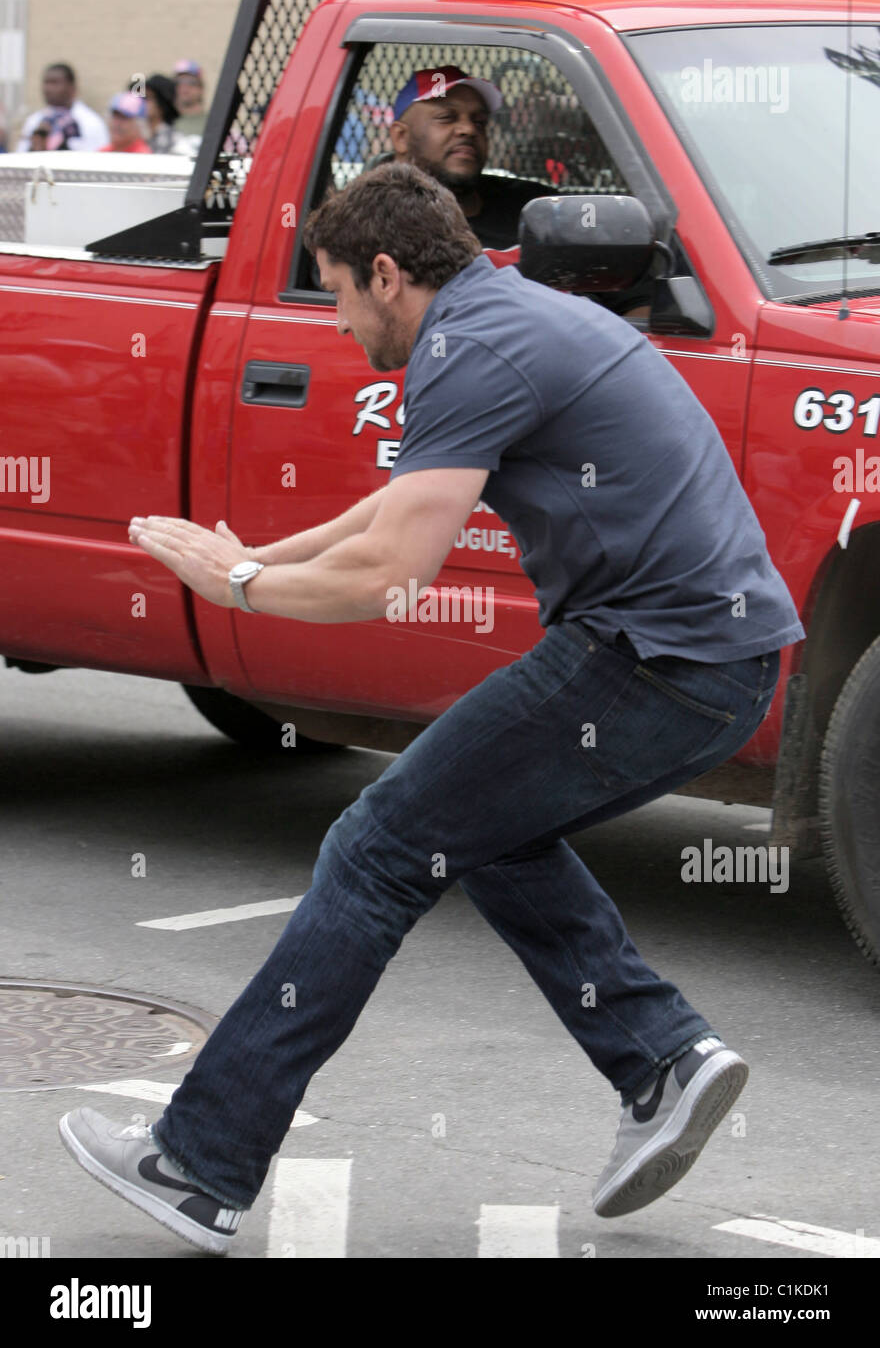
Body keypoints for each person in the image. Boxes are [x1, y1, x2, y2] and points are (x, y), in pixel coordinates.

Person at [58, 163, 805, 1255]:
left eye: (340, 295)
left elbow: (386, 574)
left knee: (378, 845)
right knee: (482, 831)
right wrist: (259, 552)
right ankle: (662, 1063)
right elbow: (397, 502)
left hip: (659, 659)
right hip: (711, 656)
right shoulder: (496, 314)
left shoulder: (470, 346)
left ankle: (199, 1164)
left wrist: (239, 591)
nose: (341, 323)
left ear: (387, 272)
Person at [389, 65, 551, 250]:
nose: (469, 129)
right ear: (401, 137)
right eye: (447, 117)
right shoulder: (372, 224)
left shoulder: (531, 210)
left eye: (479, 122)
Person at [16, 63, 108, 152]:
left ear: (72, 87)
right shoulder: (35, 121)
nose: (48, 89)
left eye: (54, 83)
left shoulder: (90, 122)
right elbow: (20, 156)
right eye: (46, 83)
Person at [140, 74, 191, 155]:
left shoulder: (177, 142)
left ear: (162, 105)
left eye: (146, 98)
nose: (139, 102)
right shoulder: (128, 134)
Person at [173, 58, 207, 150]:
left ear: (201, 88)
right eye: (179, 83)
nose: (184, 88)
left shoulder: (211, 122)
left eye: (191, 83)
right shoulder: (167, 120)